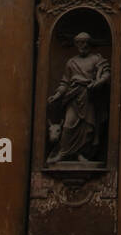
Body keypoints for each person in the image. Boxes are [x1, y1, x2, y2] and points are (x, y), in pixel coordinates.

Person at [47, 32, 110, 163]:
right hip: (73, 96)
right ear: (76, 44)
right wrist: (57, 95)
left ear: (90, 43)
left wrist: (98, 82)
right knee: (68, 125)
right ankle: (63, 153)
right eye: (80, 42)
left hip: (89, 95)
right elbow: (65, 82)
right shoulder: (71, 62)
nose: (83, 45)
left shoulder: (96, 59)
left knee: (89, 127)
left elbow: (106, 73)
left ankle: (82, 154)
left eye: (86, 42)